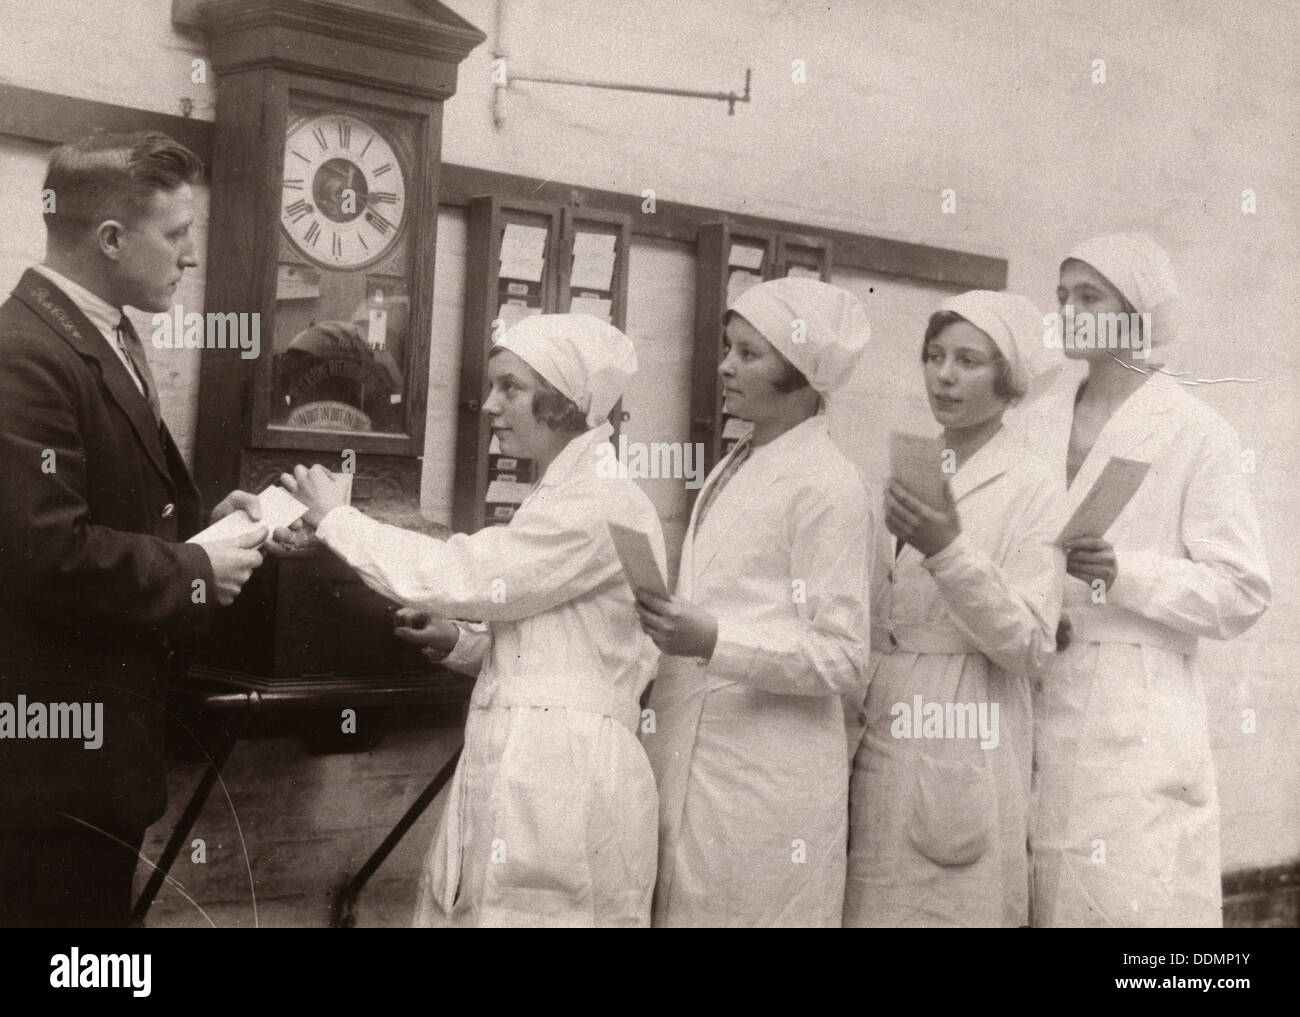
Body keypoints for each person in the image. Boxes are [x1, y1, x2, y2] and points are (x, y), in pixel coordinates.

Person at [287, 314, 666, 927]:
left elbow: (465, 576)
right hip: (535, 755)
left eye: (510, 388)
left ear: (566, 403)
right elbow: (550, 643)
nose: (490, 404)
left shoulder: (600, 501)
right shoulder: (565, 493)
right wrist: (457, 642)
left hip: (565, 770)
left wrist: (338, 519)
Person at [0, 132, 267, 927]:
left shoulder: (99, 334)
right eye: (177, 235)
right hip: (43, 775)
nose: (189, 258)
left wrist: (209, 528)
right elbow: (40, 552)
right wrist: (191, 567)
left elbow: (116, 506)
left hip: (94, 760)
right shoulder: (24, 354)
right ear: (111, 239)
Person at [1025, 233, 1271, 927]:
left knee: (1122, 903)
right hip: (1034, 680)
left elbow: (1243, 590)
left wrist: (1126, 572)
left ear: (1136, 313)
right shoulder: (1033, 419)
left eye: (1089, 296)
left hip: (1136, 707)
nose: (1068, 310)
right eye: (1062, 297)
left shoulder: (1198, 432)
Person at [637, 277, 873, 927]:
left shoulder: (829, 485)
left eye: (748, 354)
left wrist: (716, 639)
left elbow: (845, 657)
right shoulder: (736, 461)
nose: (725, 367)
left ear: (800, 373)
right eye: (728, 348)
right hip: (698, 752)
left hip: (770, 779)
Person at [843, 290, 1065, 928]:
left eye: (969, 361)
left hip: (969, 711)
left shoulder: (1033, 484)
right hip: (884, 709)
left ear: (1011, 377)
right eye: (935, 356)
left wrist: (947, 549)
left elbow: (1033, 643)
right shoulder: (913, 463)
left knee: (951, 903)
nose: (944, 374)